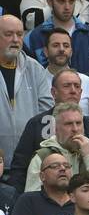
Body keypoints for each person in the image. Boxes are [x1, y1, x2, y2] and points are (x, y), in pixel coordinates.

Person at [0, 15, 54, 171]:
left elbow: (46, 113)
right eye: (9, 34)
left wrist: (44, 155)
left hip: (29, 164)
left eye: (19, 34)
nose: (15, 39)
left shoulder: (34, 68)